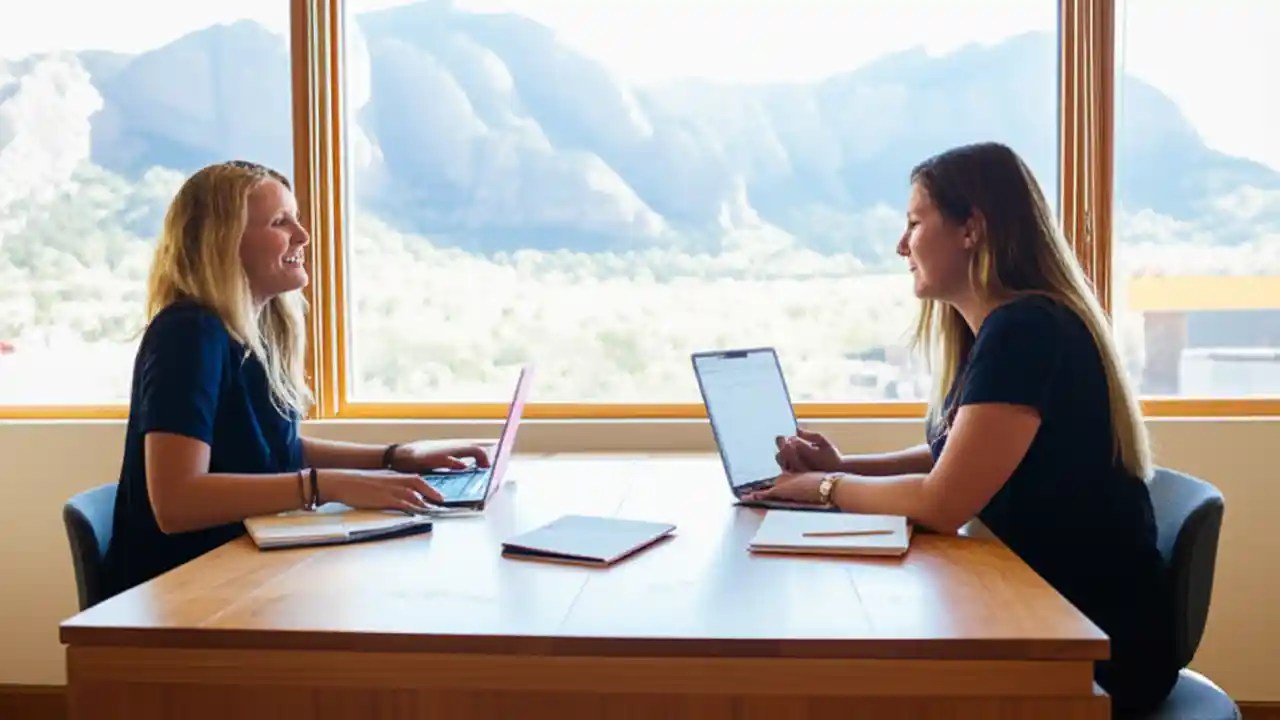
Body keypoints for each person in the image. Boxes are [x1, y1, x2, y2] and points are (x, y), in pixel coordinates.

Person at [752, 142, 1177, 714]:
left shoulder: (1025, 330)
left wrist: (825, 492)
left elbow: (944, 501)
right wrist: (842, 467)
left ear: (971, 229)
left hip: (1096, 646)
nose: (902, 245)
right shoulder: (1007, 328)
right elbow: (950, 456)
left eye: (914, 223)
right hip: (1056, 615)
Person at [103, 160, 490, 598]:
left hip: (242, 569)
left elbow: (275, 451)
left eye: (296, 219)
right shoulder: (188, 333)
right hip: (182, 591)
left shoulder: (252, 331)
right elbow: (176, 502)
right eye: (280, 222)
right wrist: (321, 486)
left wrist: (396, 457)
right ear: (223, 242)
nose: (302, 236)